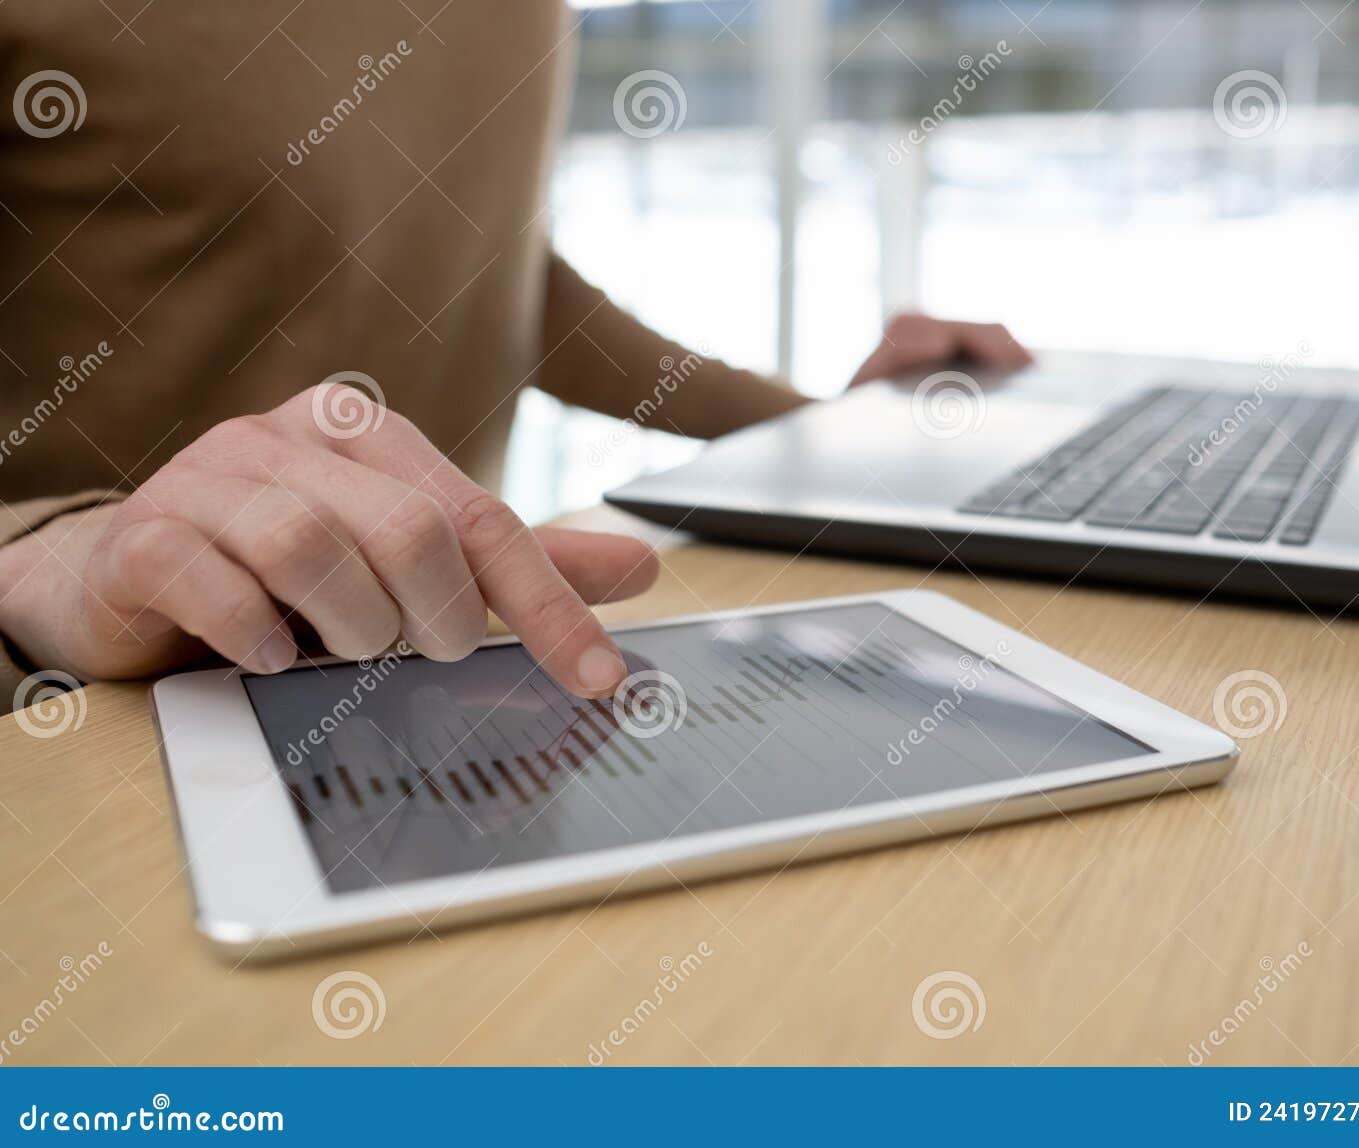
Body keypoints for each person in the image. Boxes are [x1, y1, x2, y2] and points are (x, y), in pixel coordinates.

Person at [0, 3, 1030, 708]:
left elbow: (500, 284)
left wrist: (827, 425)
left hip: (425, 682)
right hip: (87, 718)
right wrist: (58, 560)